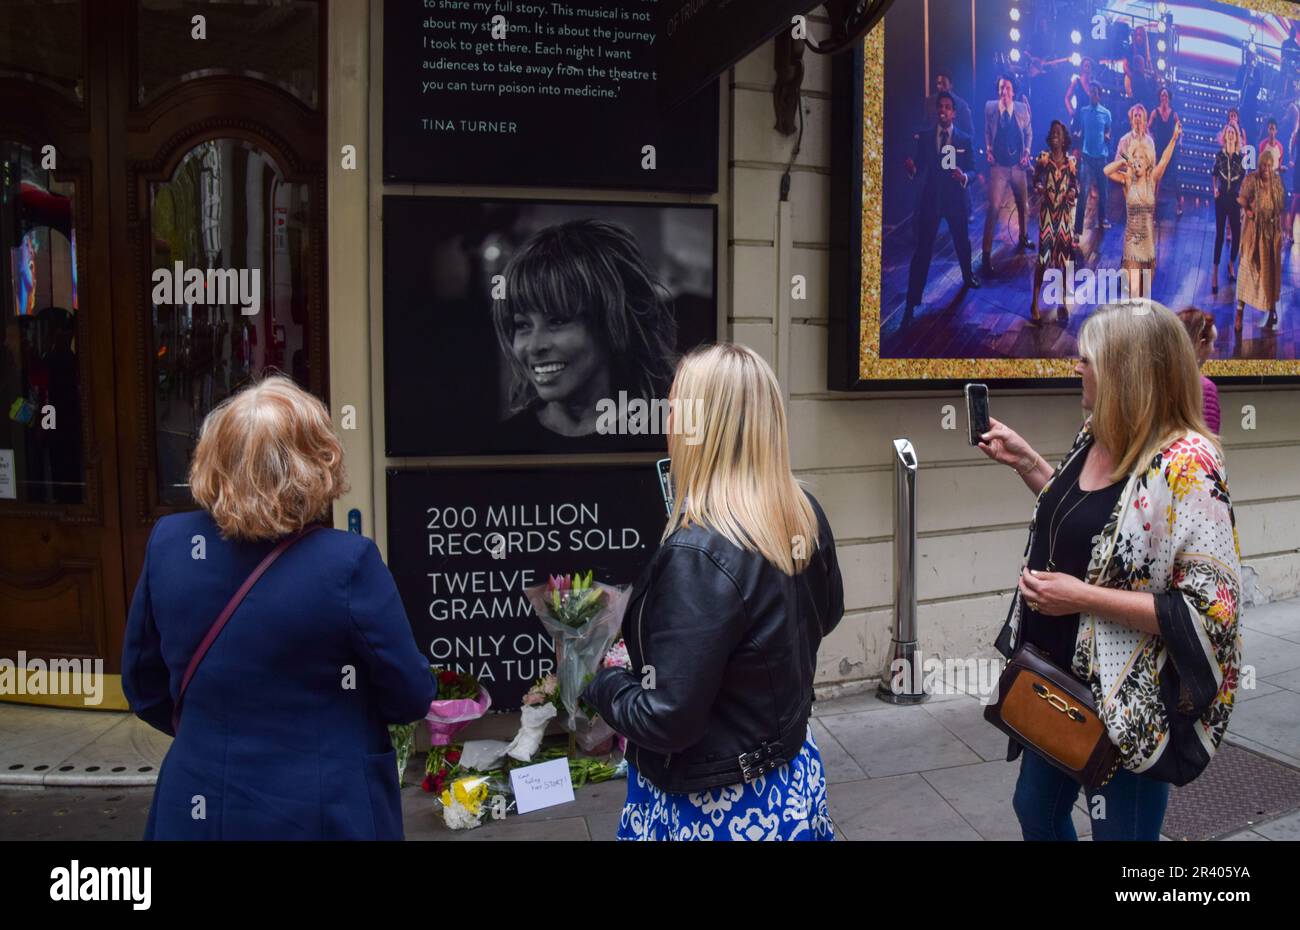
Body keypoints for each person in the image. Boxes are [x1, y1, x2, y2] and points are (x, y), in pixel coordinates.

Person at [122, 376, 437, 840]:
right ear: (317, 461)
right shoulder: (347, 562)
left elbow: (144, 685)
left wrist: (218, 731)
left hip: (197, 803)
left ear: (213, 458)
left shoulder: (170, 545)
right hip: (320, 808)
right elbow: (410, 693)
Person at [978, 300, 1242, 841]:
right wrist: (1029, 464)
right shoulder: (1097, 433)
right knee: (1036, 811)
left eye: (1088, 359)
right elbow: (1102, 530)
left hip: (1131, 701)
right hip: (1059, 682)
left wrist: (1083, 598)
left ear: (1127, 369)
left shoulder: (1188, 464)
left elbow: (1212, 613)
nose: (1078, 368)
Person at [583, 343, 845, 842]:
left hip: (715, 805)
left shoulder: (698, 554)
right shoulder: (802, 511)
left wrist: (604, 681)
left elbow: (669, 721)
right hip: (788, 781)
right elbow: (826, 614)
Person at [492, 219, 678, 442]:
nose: (534, 346)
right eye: (522, 325)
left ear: (611, 323)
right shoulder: (504, 445)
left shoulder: (669, 435)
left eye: (557, 321)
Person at [903, 91, 981, 314]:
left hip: (955, 199)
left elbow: (974, 169)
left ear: (954, 113)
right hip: (932, 199)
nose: (943, 110)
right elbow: (918, 168)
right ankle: (912, 297)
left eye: (947, 107)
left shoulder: (964, 139)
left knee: (962, 243)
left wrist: (964, 177)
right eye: (940, 107)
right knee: (923, 249)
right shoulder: (926, 137)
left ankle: (968, 277)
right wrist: (912, 170)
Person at [1105, 120, 1180, 298]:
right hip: (1131, 247)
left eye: (1142, 158)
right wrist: (1125, 161)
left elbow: (1164, 159)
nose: (1138, 161)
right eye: (1136, 158)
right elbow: (1106, 171)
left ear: (1148, 162)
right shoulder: (1127, 180)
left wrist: (1174, 138)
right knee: (1132, 296)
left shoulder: (1152, 179)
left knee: (1144, 300)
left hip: (1148, 247)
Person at [983, 74, 1034, 274]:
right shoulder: (990, 107)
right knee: (994, 208)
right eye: (1001, 88)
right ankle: (986, 254)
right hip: (999, 167)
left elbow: (1029, 132)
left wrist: (1028, 152)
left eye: (1008, 88)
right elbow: (987, 130)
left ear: (1013, 91)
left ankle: (1023, 236)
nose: (1004, 92)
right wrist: (988, 148)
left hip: (1018, 166)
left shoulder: (1021, 109)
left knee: (1023, 204)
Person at [1031, 122, 1079, 328]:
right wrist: (1039, 186)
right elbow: (1035, 180)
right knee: (1043, 259)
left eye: (1058, 133)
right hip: (1048, 216)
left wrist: (1072, 193)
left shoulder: (1072, 163)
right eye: (1052, 133)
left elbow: (1076, 186)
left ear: (1064, 137)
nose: (1055, 136)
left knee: (1063, 261)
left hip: (1064, 217)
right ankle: (1034, 302)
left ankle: (1062, 303)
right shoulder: (1043, 159)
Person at [1235, 147, 1285, 332]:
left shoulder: (1276, 182)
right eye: (1263, 165)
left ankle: (1271, 310)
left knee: (1269, 272)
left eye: (1269, 166)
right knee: (1247, 268)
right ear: (1260, 165)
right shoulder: (1252, 180)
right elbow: (1241, 199)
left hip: (1270, 233)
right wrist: (1248, 210)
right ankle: (1239, 313)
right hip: (1252, 232)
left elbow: (1280, 206)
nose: (1266, 168)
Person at [1073, 82, 1113, 238]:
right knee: (1083, 193)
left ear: (1099, 95)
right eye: (1091, 92)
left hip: (1101, 157)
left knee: (1103, 191)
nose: (1092, 95)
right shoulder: (1083, 111)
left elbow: (1109, 129)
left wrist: (1108, 135)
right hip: (1087, 157)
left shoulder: (1106, 113)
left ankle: (1102, 219)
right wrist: (1077, 135)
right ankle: (1077, 230)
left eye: (1095, 92)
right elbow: (1081, 129)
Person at [1211, 125, 1245, 295]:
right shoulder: (1219, 156)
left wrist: (1242, 198)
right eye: (1228, 133)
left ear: (1236, 137)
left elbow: (1243, 178)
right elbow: (1214, 173)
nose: (1231, 135)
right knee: (1220, 236)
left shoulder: (1240, 157)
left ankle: (1231, 263)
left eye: (1233, 133)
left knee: (1237, 235)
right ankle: (1215, 273)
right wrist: (1214, 189)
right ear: (1225, 137)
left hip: (1235, 200)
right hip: (1222, 198)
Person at [1177, 307, 1220, 435]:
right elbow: (1209, 443)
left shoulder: (1153, 381)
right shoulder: (1204, 388)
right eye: (1212, 342)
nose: (1212, 350)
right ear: (1201, 344)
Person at [1149, 88, 1184, 216]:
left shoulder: (1173, 113)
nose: (1164, 97)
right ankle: (1152, 206)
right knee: (1157, 177)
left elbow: (1180, 128)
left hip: (1170, 149)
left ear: (1169, 97)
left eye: (1165, 95)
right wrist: (1151, 137)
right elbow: (1148, 127)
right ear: (1159, 97)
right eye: (1162, 95)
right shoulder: (1155, 112)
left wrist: (1180, 140)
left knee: (1174, 178)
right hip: (1159, 148)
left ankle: (1179, 204)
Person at [922, 69, 975, 141]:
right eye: (939, 83)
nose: (941, 87)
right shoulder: (929, 102)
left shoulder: (961, 105)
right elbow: (925, 125)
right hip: (933, 145)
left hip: (954, 145)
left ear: (950, 85)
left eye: (944, 84)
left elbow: (969, 132)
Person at [1063, 58, 1096, 123]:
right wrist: (1070, 110)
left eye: (1089, 66)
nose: (1087, 68)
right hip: (1078, 117)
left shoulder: (1093, 85)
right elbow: (1067, 98)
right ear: (1082, 68)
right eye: (1085, 65)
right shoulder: (1076, 82)